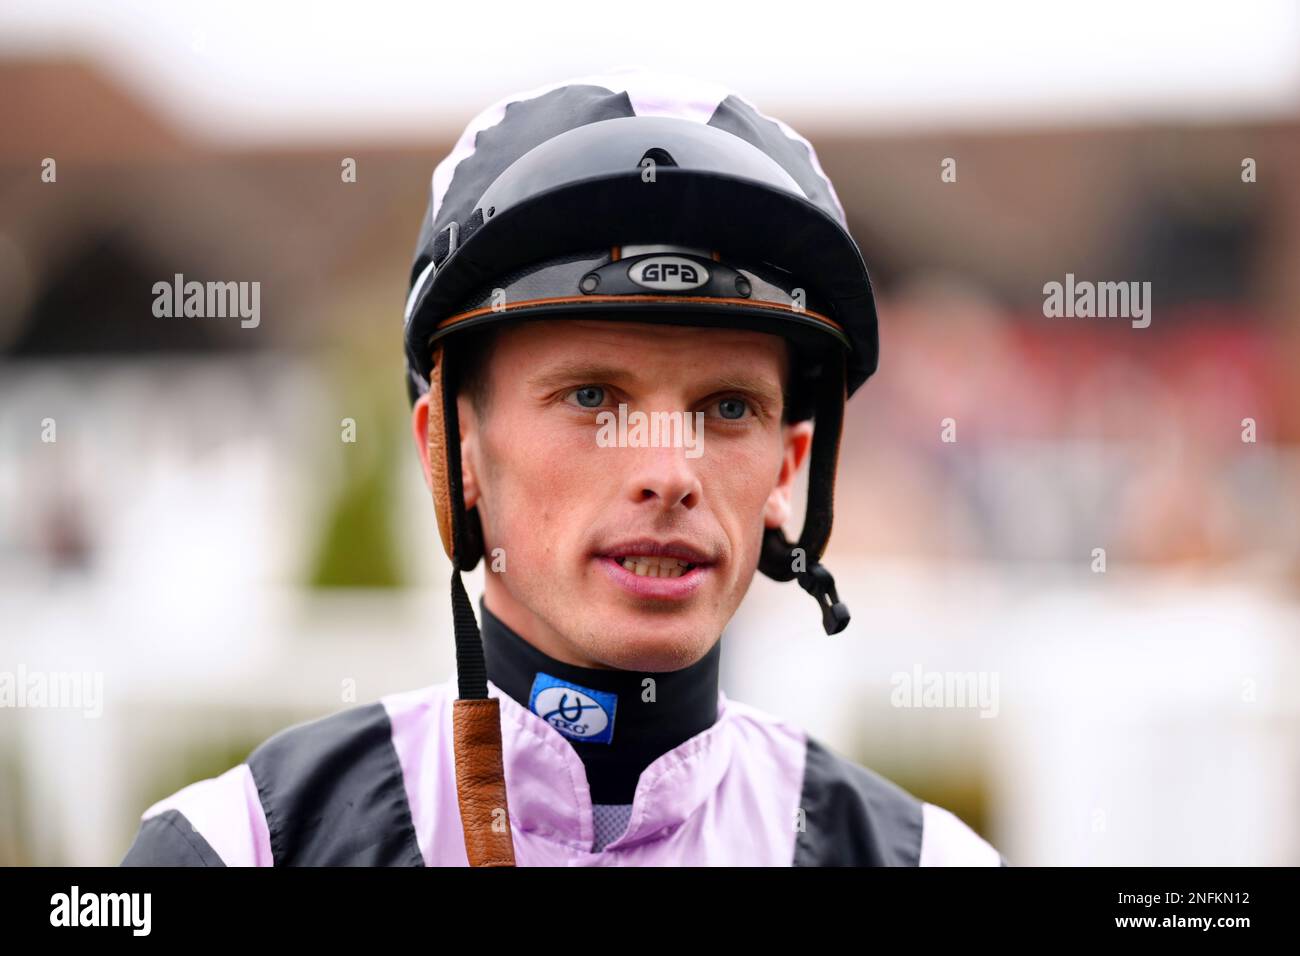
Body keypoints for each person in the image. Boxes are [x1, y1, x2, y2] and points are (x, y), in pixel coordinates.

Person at [121, 68, 1006, 867]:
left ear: (789, 468)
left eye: (728, 408)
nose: (668, 472)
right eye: (592, 397)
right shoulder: (238, 849)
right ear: (452, 450)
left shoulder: (933, 862)